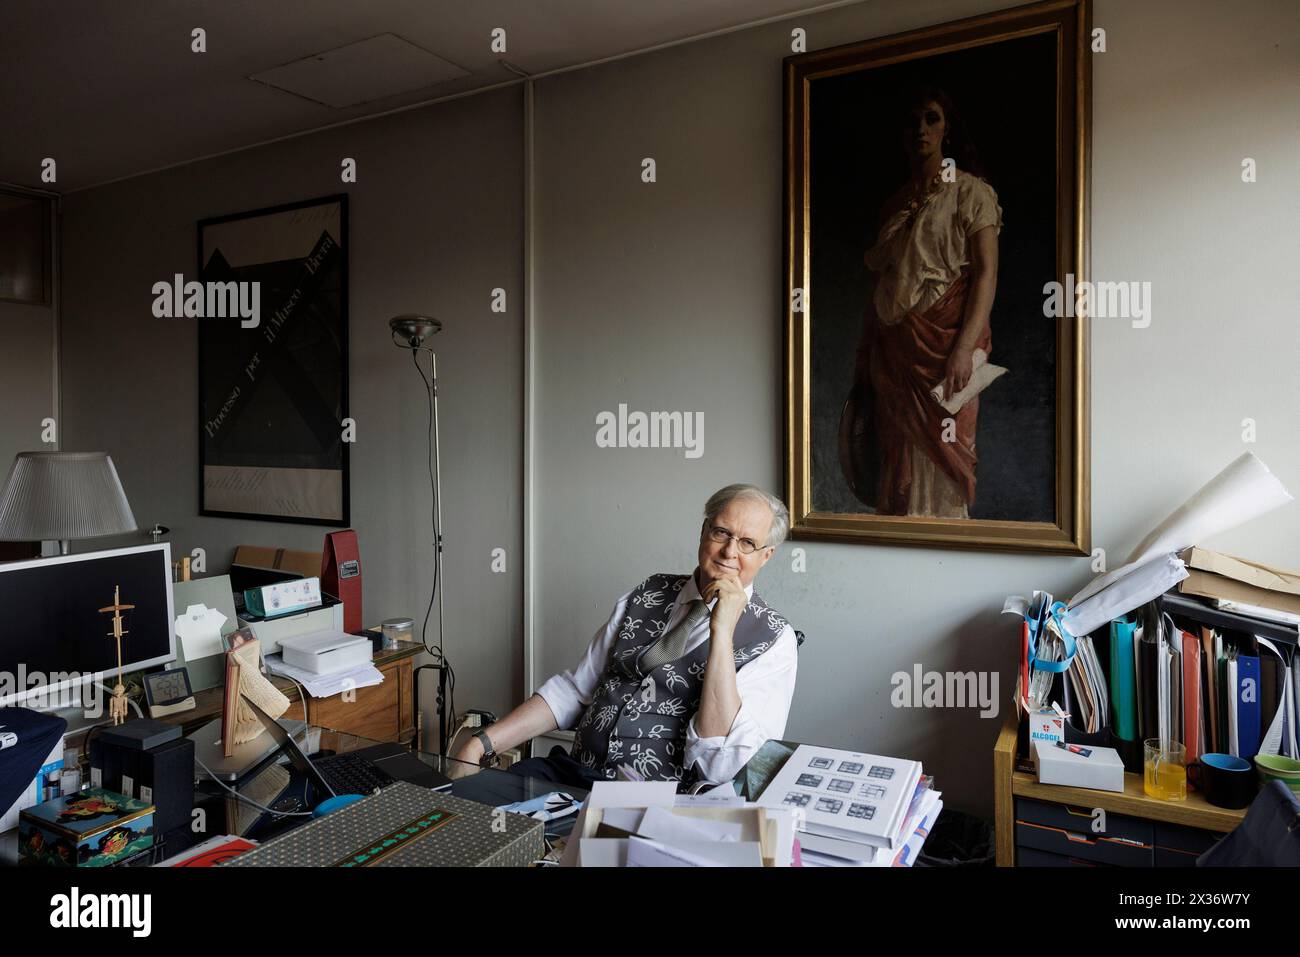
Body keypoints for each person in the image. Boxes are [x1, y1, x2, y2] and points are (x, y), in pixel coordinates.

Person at [453, 484, 798, 791]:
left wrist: (722, 633)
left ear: (766, 555)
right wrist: (482, 743)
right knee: (471, 808)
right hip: (574, 777)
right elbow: (575, 691)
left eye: (748, 543)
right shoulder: (648, 591)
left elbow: (721, 766)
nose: (729, 551)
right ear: (704, 531)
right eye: (722, 532)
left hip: (662, 803)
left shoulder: (772, 640)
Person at [841, 85, 1002, 518]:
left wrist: (964, 348)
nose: (921, 129)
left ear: (947, 129)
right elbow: (884, 286)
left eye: (931, 119)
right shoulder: (895, 204)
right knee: (897, 460)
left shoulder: (971, 193)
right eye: (912, 121)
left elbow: (986, 272)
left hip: (946, 344)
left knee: (947, 454)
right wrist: (867, 356)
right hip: (896, 351)